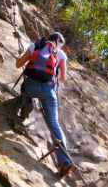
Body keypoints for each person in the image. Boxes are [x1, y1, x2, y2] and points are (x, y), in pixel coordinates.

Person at [16, 32, 72, 177]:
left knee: (24, 89)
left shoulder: (36, 45)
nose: (62, 46)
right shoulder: (59, 53)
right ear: (58, 40)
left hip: (30, 85)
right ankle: (64, 160)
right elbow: (62, 79)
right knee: (54, 124)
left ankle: (27, 102)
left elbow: (18, 65)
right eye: (62, 43)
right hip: (48, 91)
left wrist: (22, 54)